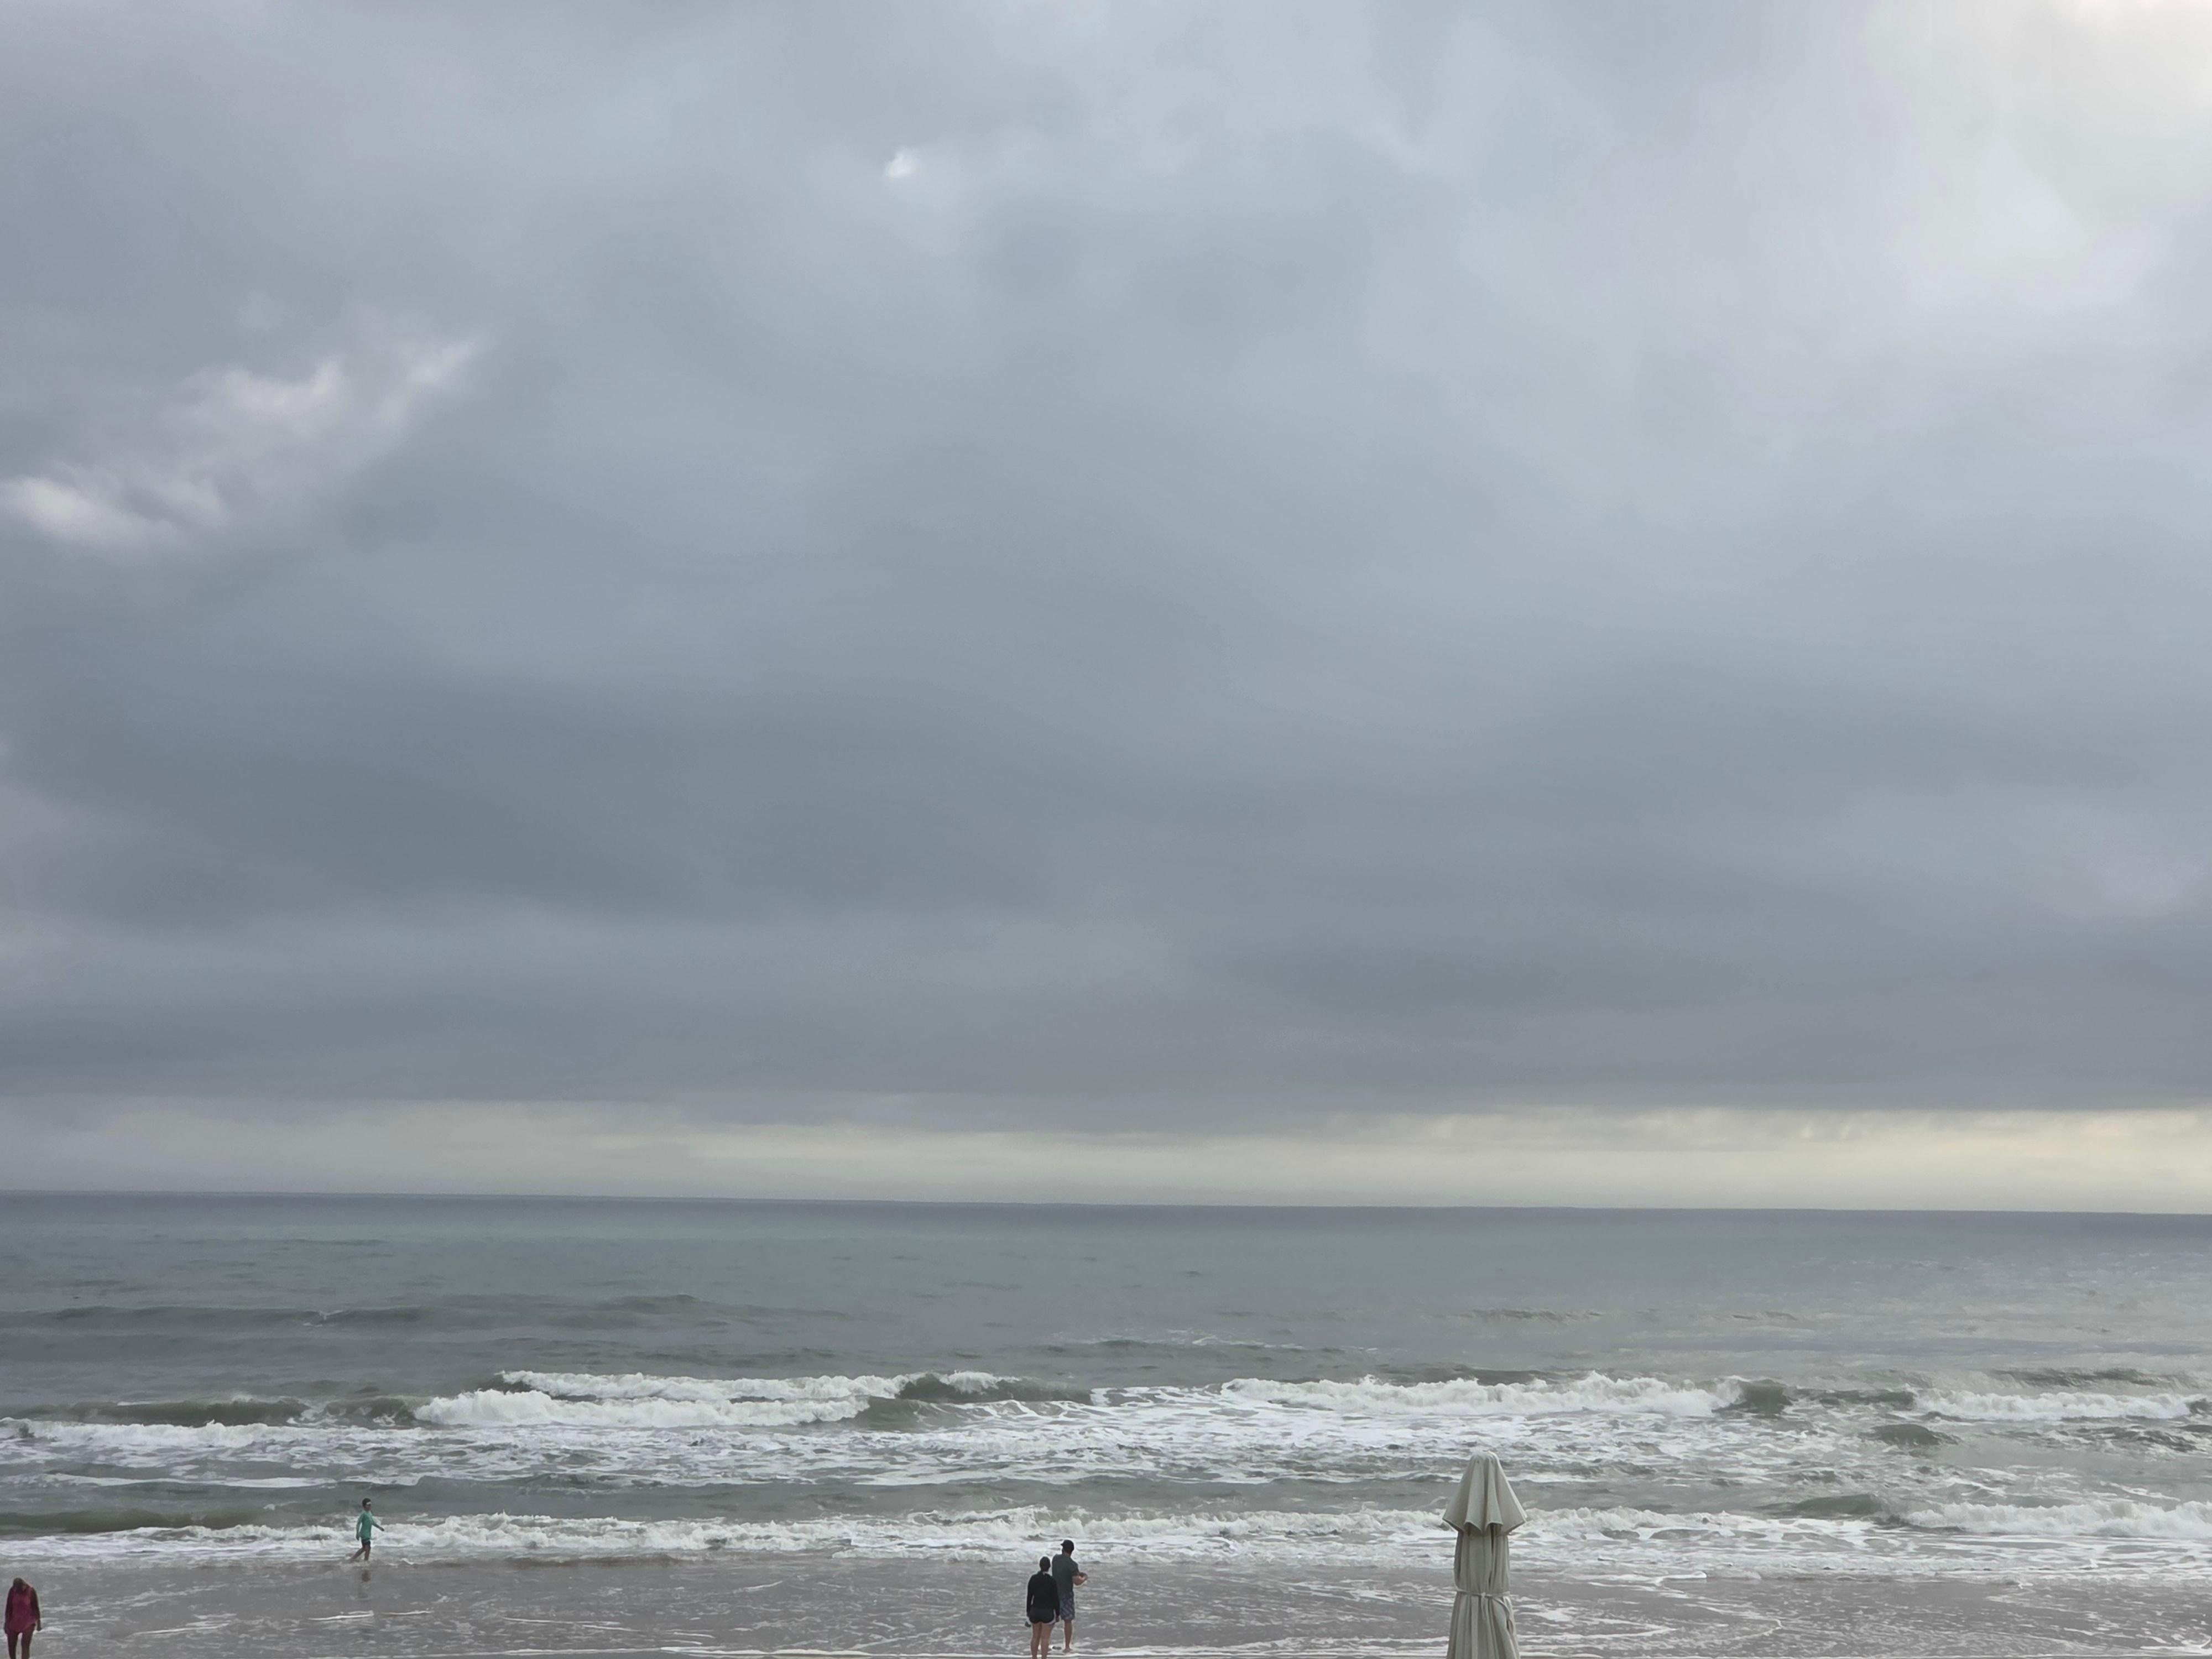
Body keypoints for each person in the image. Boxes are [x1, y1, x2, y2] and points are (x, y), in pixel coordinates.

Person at [1051, 1538, 1087, 1651]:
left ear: (1063, 1549)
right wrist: (1084, 1578)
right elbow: (1077, 1582)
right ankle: (1067, 1647)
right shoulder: (1073, 1565)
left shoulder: (1055, 1559)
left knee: (1050, 1620)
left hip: (1054, 1593)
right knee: (1068, 1621)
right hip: (1067, 1595)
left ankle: (1044, 1642)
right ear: (1072, 1551)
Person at [1025, 1555, 1059, 1659]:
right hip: (1047, 1611)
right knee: (1045, 1638)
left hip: (1035, 1610)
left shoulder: (1033, 1579)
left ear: (1040, 1566)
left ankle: (1034, 1657)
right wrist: (1058, 1613)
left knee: (1035, 1637)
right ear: (1049, 1567)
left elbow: (1029, 1596)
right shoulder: (1052, 1581)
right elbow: (1055, 1599)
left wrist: (1028, 1611)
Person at [4, 1578, 38, 1659]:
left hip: (28, 1621)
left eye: (19, 1588)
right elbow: (9, 1607)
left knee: (25, 1645)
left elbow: (35, 1607)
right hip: (14, 1621)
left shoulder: (31, 1591)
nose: (18, 1590)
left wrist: (38, 1622)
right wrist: (6, 1623)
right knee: (11, 1645)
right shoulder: (13, 1591)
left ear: (23, 1585)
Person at [350, 1496, 384, 1561]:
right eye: (368, 1505)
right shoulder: (363, 1514)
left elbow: (372, 1522)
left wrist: (379, 1528)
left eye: (370, 1505)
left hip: (368, 1533)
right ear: (364, 1506)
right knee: (368, 1548)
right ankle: (366, 1561)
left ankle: (353, 1559)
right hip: (364, 1534)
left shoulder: (370, 1513)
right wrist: (357, 1533)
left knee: (364, 1549)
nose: (370, 1506)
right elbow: (358, 1523)